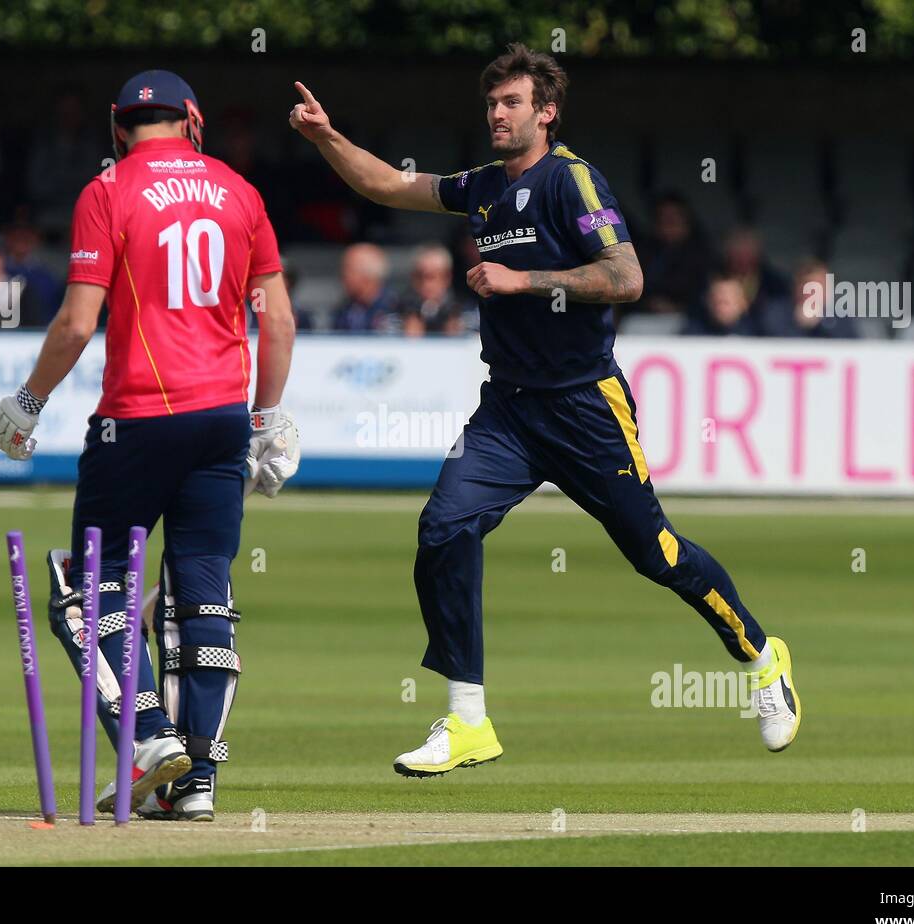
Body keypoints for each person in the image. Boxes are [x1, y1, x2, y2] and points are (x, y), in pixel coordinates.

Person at [290, 43, 801, 777]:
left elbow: (626, 277)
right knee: (443, 528)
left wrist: (522, 280)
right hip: (509, 409)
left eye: (511, 104)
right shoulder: (485, 185)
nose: (496, 115)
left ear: (546, 111)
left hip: (585, 406)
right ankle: (468, 720)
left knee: (655, 554)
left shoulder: (573, 181)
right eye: (491, 104)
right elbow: (392, 187)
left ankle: (760, 655)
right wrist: (325, 138)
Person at [0, 69, 299, 822]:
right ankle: (197, 784)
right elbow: (279, 322)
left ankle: (151, 738)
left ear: (116, 125)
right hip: (223, 420)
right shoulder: (239, 191)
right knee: (204, 596)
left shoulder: (108, 190)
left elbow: (75, 322)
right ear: (191, 119)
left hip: (136, 420)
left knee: (88, 591)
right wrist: (268, 419)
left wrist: (27, 403)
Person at [400, 243, 469, 336]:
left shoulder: (465, 312)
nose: (426, 284)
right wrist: (401, 335)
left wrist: (460, 335)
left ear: (447, 277)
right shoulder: (398, 310)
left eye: (431, 276)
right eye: (419, 276)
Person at [331, 242, 398, 332]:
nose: (342, 276)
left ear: (367, 276)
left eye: (348, 269)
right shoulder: (344, 310)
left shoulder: (394, 308)